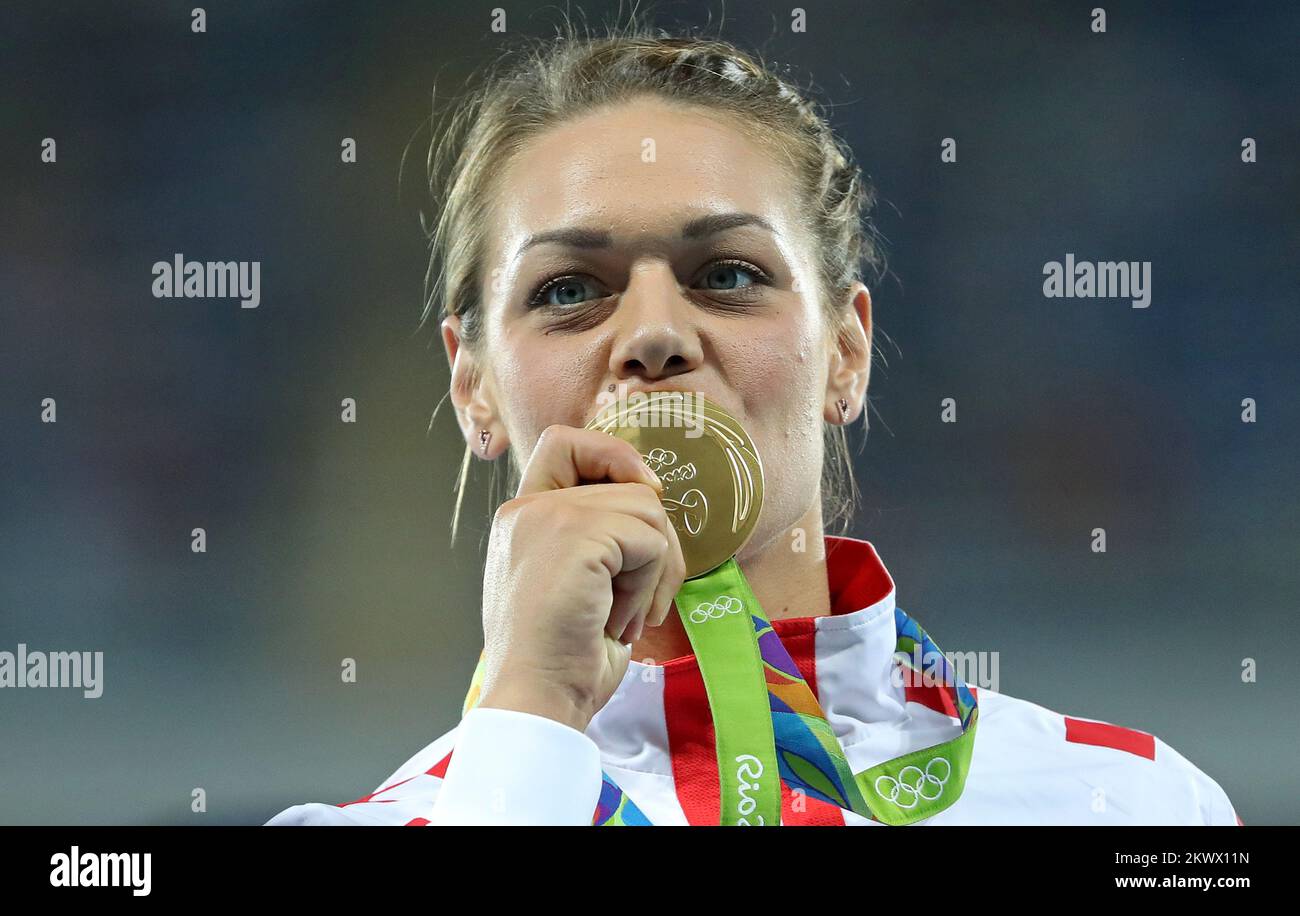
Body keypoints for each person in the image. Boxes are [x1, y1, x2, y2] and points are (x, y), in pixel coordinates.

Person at [267, 20, 1240, 826]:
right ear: (471, 385)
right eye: (569, 290)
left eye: (727, 274)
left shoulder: (1140, 809)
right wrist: (533, 712)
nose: (652, 333)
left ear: (845, 353)